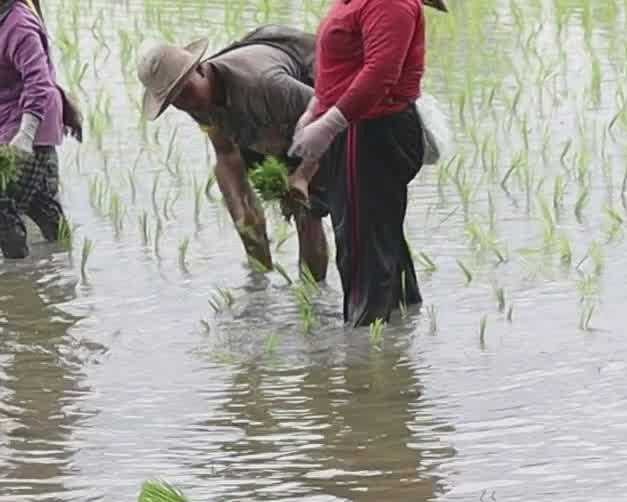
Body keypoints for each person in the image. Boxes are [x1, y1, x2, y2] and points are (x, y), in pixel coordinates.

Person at [287, 0, 442, 326]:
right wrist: (315, 107)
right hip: (357, 125)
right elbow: (342, 63)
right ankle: (400, 337)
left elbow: (380, 73)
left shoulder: (389, 3)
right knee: (379, 240)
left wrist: (329, 124)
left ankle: (364, 358)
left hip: (371, 131)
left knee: (362, 250)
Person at [137, 29, 332, 282]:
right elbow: (225, 151)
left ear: (199, 69)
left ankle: (314, 298)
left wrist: (303, 175)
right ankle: (259, 289)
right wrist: (242, 210)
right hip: (254, 125)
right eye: (173, 100)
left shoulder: (265, 83)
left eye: (183, 92)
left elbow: (330, 120)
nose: (183, 103)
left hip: (311, 118)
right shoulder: (194, 100)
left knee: (307, 212)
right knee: (247, 223)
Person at [0, 0, 79, 260]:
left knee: (2, 211)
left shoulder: (19, 26)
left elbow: (38, 81)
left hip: (29, 127)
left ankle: (17, 283)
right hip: (6, 122)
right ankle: (60, 261)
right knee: (36, 201)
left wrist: (26, 135)